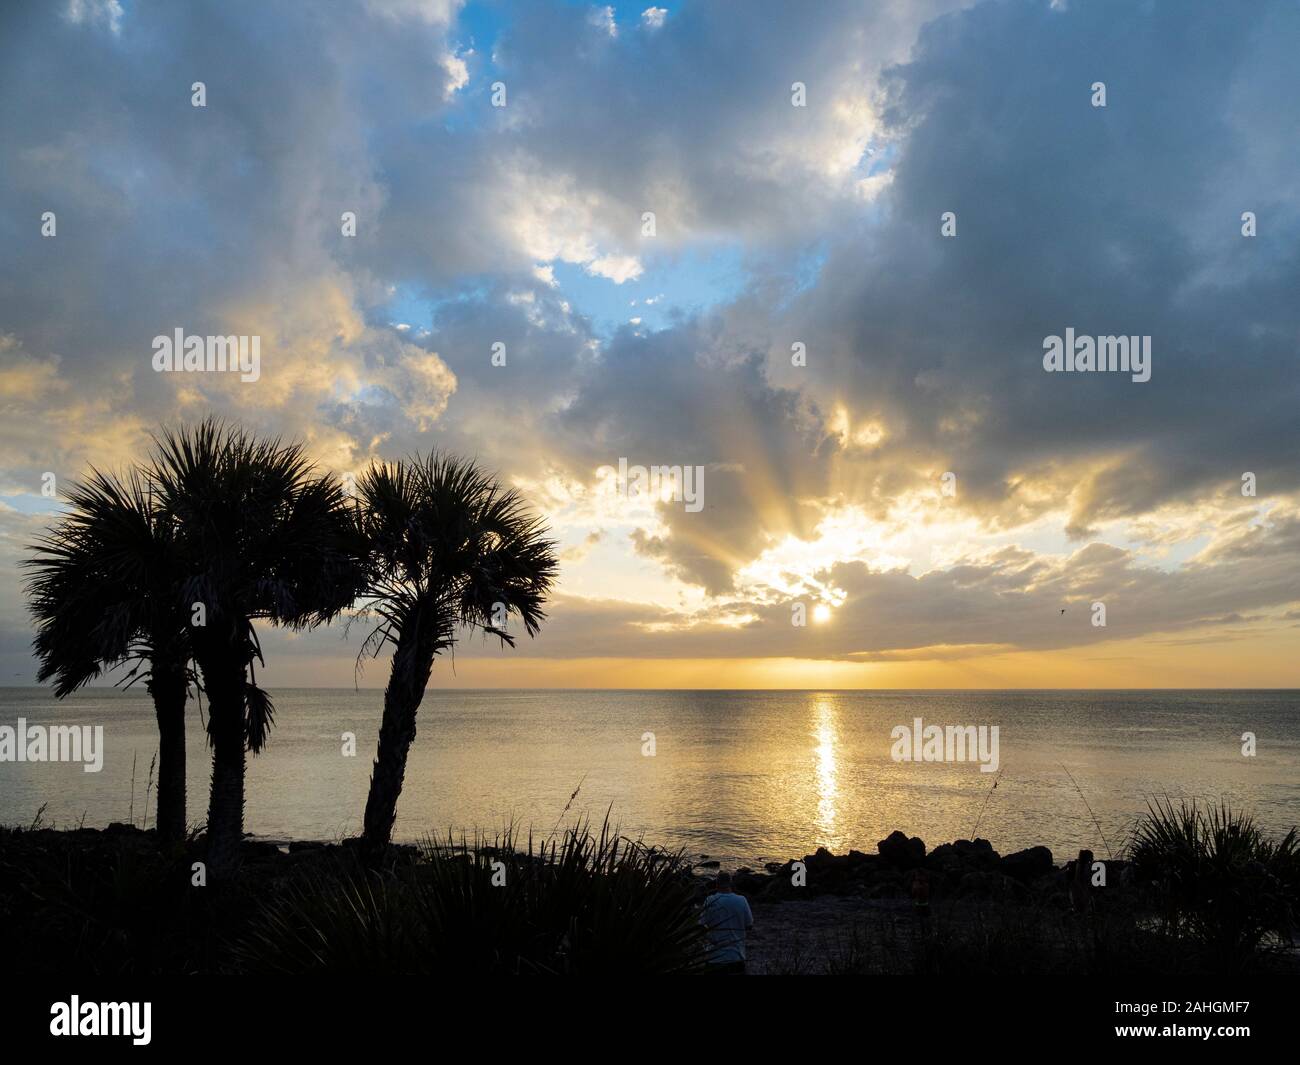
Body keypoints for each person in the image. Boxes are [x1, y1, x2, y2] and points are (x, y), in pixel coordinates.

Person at [700, 870, 754, 974]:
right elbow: (749, 925)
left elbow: (700, 926)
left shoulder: (709, 900)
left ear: (716, 884)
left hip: (714, 958)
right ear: (731, 884)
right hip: (736, 956)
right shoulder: (742, 900)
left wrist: (710, 938)